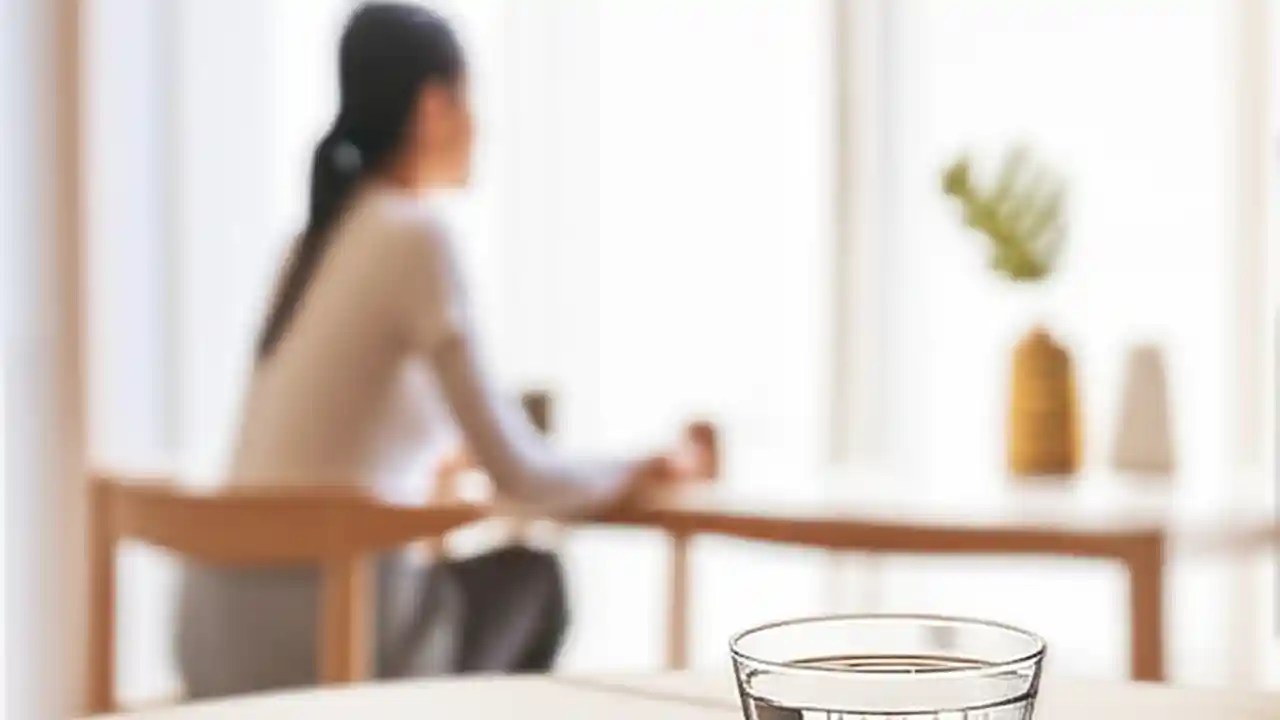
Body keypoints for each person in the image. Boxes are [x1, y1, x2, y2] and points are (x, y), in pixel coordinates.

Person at [176, 2, 695, 698]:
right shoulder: (414, 236)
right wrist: (643, 466)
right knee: (537, 580)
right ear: (433, 105)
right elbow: (525, 477)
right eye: (470, 100)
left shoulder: (310, 246)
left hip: (211, 635)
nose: (481, 127)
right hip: (320, 639)